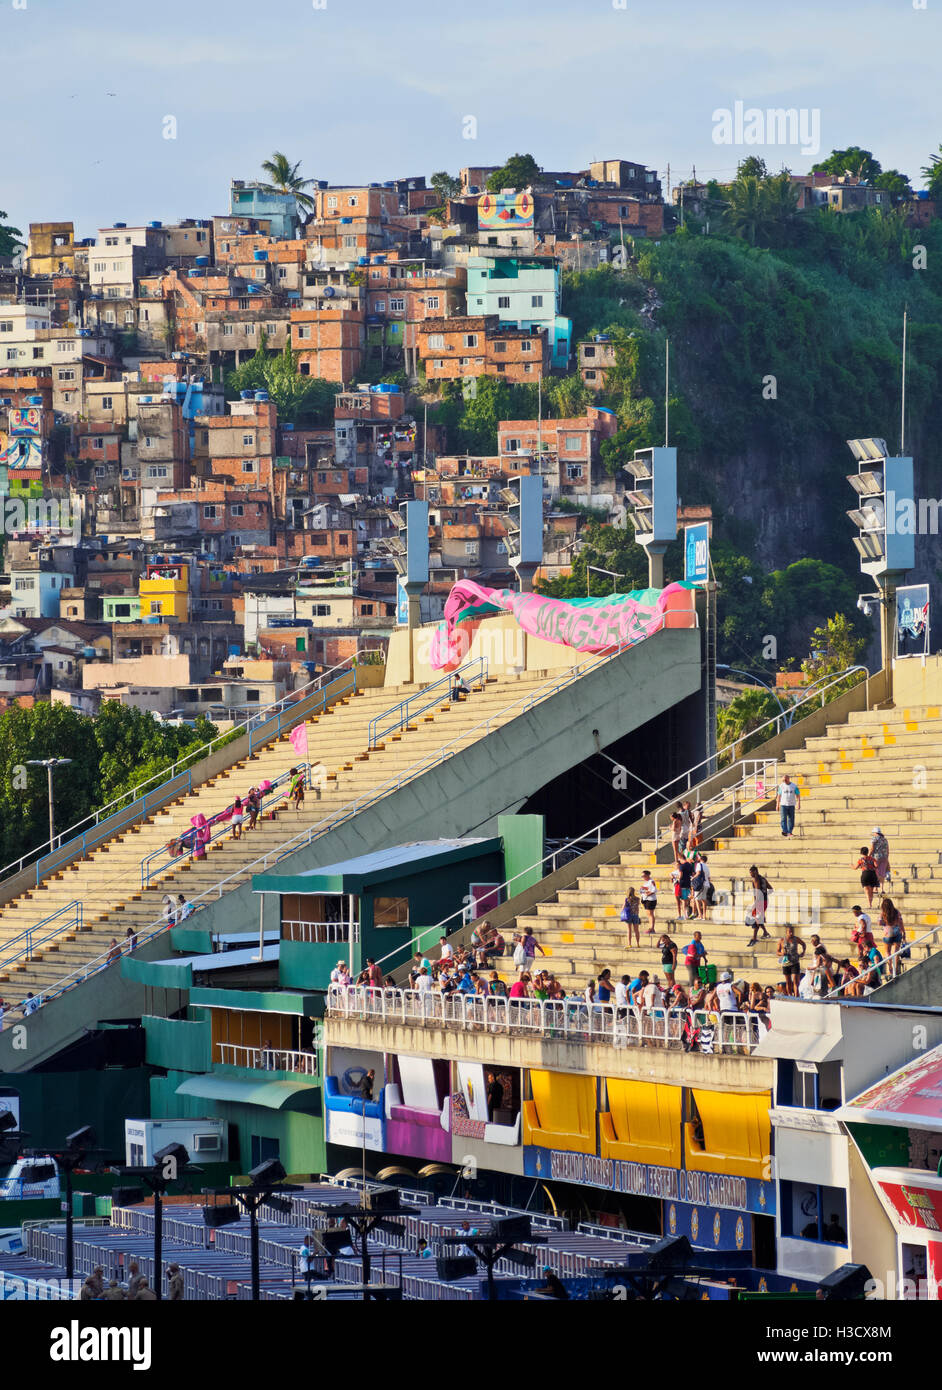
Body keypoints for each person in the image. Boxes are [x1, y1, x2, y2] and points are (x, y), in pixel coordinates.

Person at [880, 898, 906, 979]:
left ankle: (890, 969)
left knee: (887, 952)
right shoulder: (897, 912)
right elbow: (901, 923)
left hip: (887, 934)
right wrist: (904, 932)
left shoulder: (882, 914)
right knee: (896, 952)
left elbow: (879, 923)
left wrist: (885, 923)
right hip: (897, 933)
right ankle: (895, 969)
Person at [746, 866, 772, 942]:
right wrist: (765, 894)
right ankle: (759, 935)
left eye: (751, 872)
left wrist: (755, 904)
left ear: (755, 871)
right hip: (765, 901)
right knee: (757, 918)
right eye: (750, 872)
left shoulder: (755, 879)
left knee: (756, 918)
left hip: (760, 901)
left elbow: (758, 892)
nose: (750, 874)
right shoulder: (763, 879)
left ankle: (763, 934)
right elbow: (771, 889)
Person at [777, 926, 805, 996]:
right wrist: (781, 953)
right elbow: (777, 952)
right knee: (788, 981)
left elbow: (803, 944)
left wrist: (803, 952)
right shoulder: (782, 940)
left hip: (795, 962)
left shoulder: (796, 939)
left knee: (795, 981)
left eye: (792, 931)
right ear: (786, 932)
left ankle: (796, 995)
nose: (791, 933)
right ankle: (790, 995)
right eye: (789, 932)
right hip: (786, 963)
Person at [691, 854, 711, 921]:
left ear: (700, 859)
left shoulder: (699, 865)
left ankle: (700, 915)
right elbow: (709, 877)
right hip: (706, 884)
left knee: (697, 899)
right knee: (703, 899)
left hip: (700, 884)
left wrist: (692, 878)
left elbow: (698, 872)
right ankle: (704, 916)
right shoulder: (707, 867)